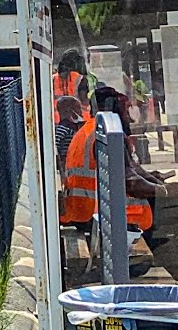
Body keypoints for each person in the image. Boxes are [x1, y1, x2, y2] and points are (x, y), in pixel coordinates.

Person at [63, 87, 161, 234]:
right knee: (146, 195)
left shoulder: (89, 129)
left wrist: (153, 179)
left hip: (81, 211)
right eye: (124, 109)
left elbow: (131, 166)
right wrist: (163, 191)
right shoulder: (108, 136)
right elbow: (132, 183)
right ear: (112, 108)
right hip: (96, 216)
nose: (128, 116)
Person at [53, 49, 91, 123]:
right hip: (78, 122)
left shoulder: (52, 78)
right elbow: (85, 102)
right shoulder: (80, 78)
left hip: (55, 122)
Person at [54, 96, 84, 174]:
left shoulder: (74, 127)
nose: (81, 112)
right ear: (69, 111)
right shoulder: (63, 129)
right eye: (78, 109)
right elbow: (56, 148)